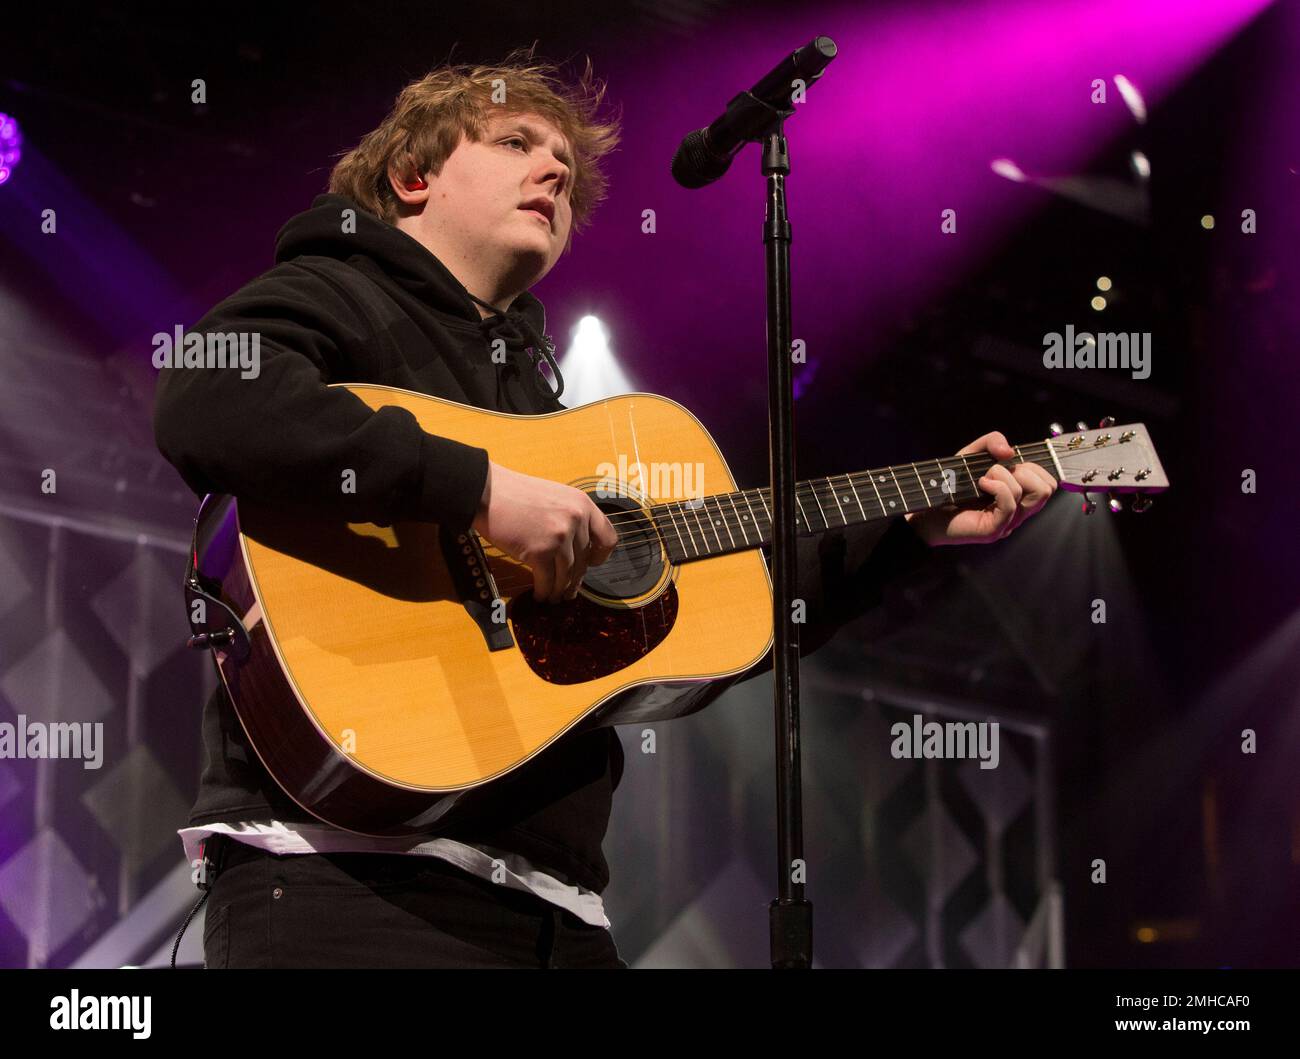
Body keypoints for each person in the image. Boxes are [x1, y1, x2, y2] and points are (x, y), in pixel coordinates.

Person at [153, 51, 1056, 969]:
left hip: (556, 913)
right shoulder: (339, 290)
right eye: (516, 143)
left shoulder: (539, 407)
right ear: (413, 175)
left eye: (565, 165)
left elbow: (734, 598)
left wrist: (908, 530)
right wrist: (480, 491)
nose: (555, 170)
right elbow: (207, 397)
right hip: (346, 888)